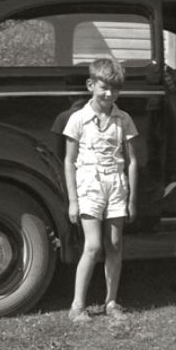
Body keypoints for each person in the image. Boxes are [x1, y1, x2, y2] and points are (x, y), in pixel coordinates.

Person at [63, 57, 139, 323]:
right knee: (93, 246)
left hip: (116, 185)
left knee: (115, 244)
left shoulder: (123, 119)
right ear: (90, 85)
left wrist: (131, 198)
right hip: (89, 185)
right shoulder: (78, 120)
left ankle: (112, 301)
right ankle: (77, 305)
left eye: (115, 89)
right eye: (104, 87)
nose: (109, 94)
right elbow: (69, 161)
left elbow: (131, 161)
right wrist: (73, 201)